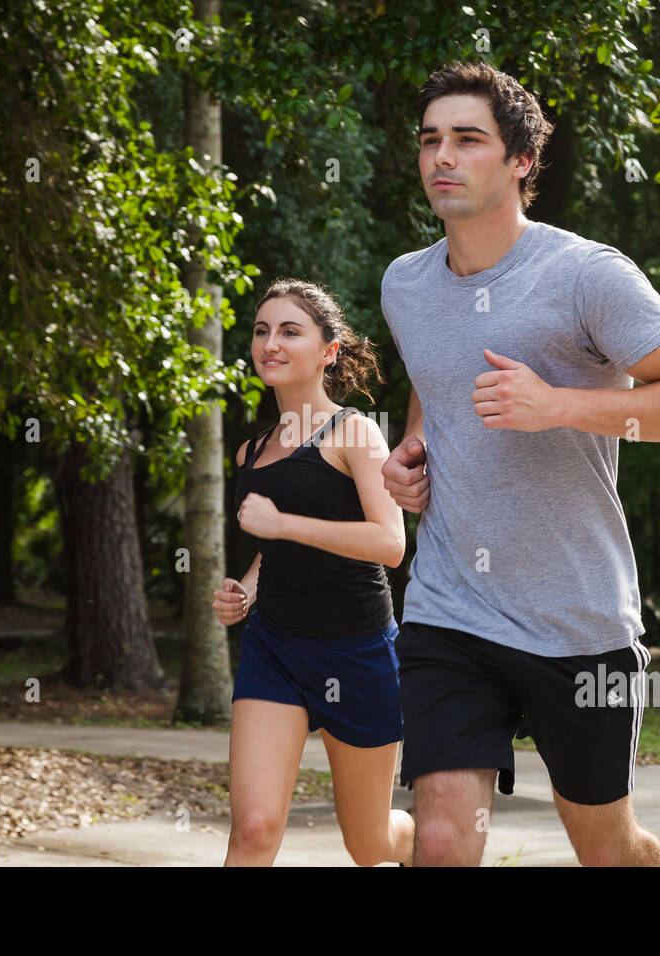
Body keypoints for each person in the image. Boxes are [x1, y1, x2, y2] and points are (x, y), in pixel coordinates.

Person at [378, 62, 660, 866]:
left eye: (468, 140)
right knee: (439, 837)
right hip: (451, 607)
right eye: (431, 140)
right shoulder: (406, 283)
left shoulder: (584, 275)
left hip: (576, 616)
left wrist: (562, 405)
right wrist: (415, 456)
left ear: (520, 162)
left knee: (606, 846)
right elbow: (435, 386)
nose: (443, 157)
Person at [214, 278, 415, 866]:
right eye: (261, 331)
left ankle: (419, 842)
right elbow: (273, 550)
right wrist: (245, 592)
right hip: (274, 648)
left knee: (368, 842)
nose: (270, 344)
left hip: (356, 652)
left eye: (290, 331)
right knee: (252, 828)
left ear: (329, 351)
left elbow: (389, 543)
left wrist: (283, 525)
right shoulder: (250, 451)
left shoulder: (354, 433)